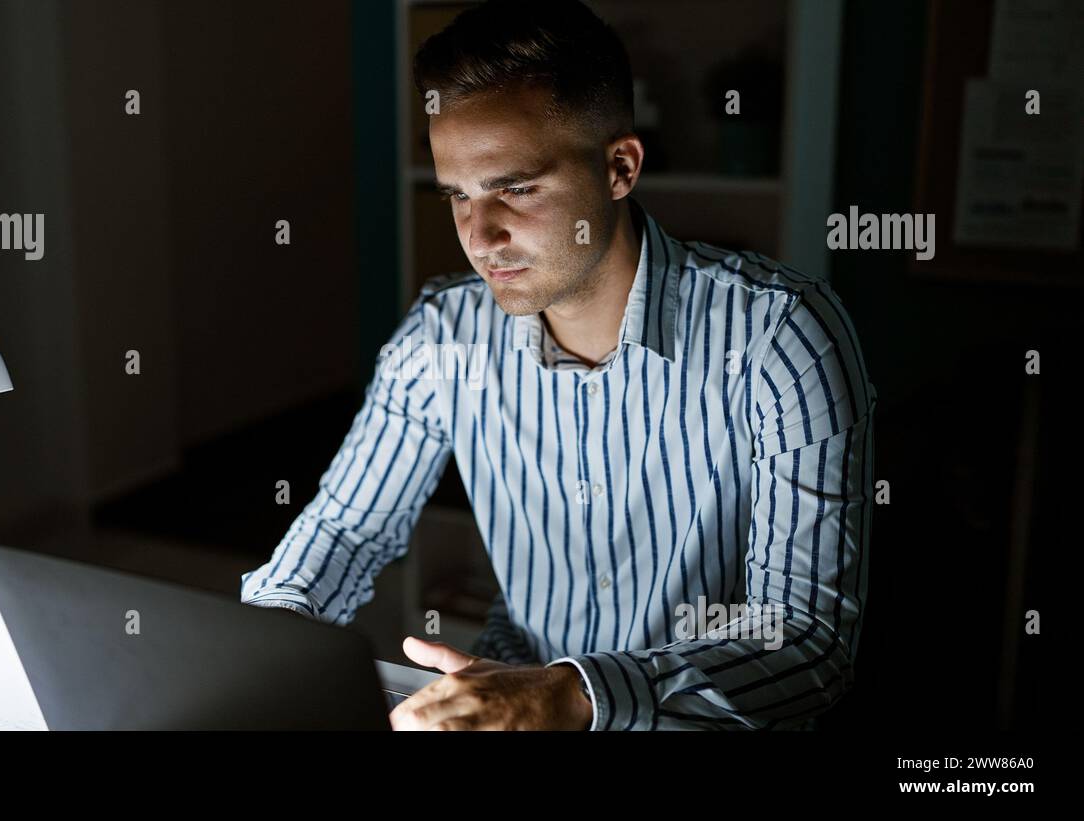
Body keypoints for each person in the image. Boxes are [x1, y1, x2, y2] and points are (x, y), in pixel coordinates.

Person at [241, 0, 875, 730]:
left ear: (619, 167)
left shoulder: (783, 335)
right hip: (511, 698)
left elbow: (806, 639)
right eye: (457, 196)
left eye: (515, 188)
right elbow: (347, 529)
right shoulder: (444, 334)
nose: (480, 237)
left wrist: (575, 694)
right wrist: (271, 641)